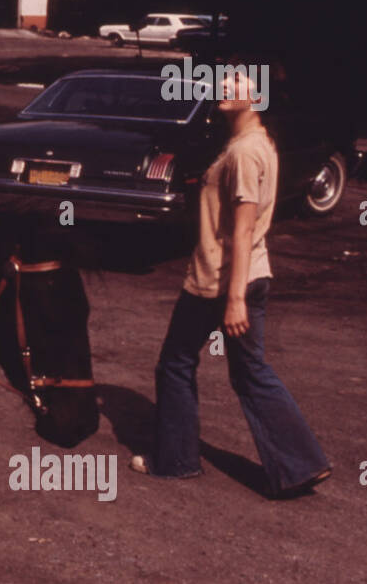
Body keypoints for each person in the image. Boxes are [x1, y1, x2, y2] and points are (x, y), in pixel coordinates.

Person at [135, 63, 331, 497]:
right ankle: (301, 464)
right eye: (226, 78)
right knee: (250, 372)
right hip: (248, 274)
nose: (225, 84)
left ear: (258, 98)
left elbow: (242, 229)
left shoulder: (244, 152)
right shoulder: (254, 143)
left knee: (176, 364)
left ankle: (176, 461)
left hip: (219, 280)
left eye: (239, 81)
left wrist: (234, 298)